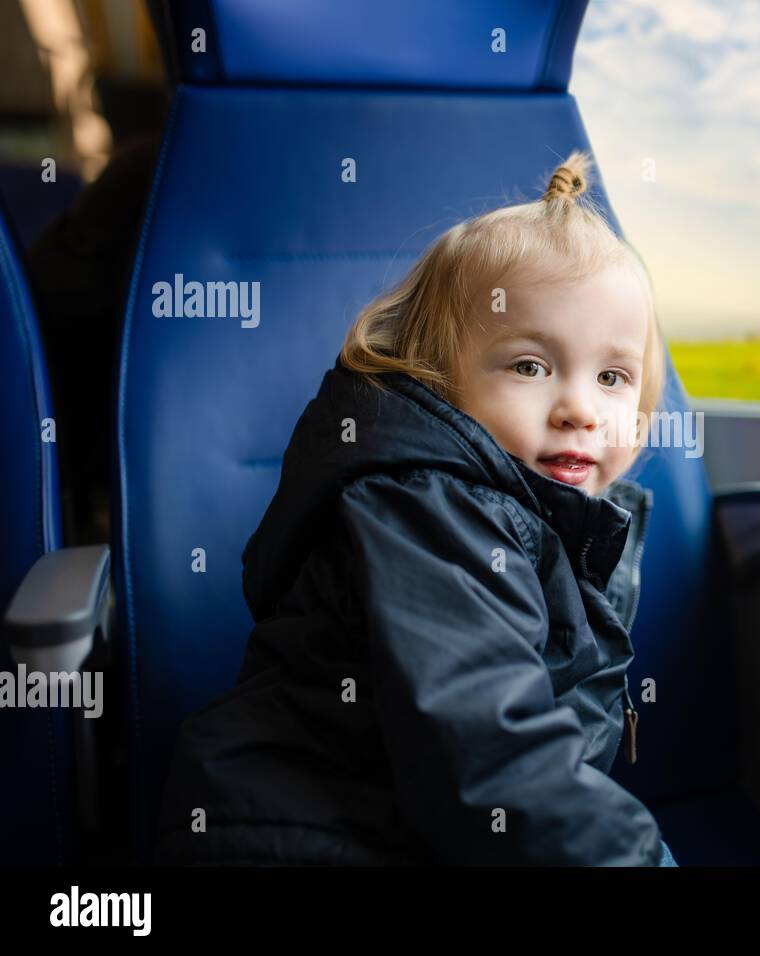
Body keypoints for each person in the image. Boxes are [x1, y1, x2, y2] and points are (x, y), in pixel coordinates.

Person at [154, 150, 678, 866]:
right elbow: (491, 754)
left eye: (614, 376)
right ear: (439, 381)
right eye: (530, 365)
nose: (581, 409)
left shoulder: (563, 521)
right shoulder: (429, 509)